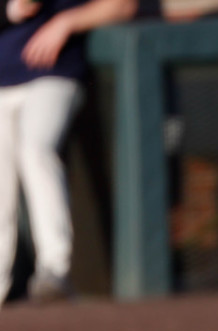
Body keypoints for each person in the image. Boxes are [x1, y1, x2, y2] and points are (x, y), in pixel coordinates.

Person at [0, 0, 137, 305]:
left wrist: (66, 21)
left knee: (35, 149)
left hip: (52, 73)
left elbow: (122, 5)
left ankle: (54, 269)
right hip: (3, 78)